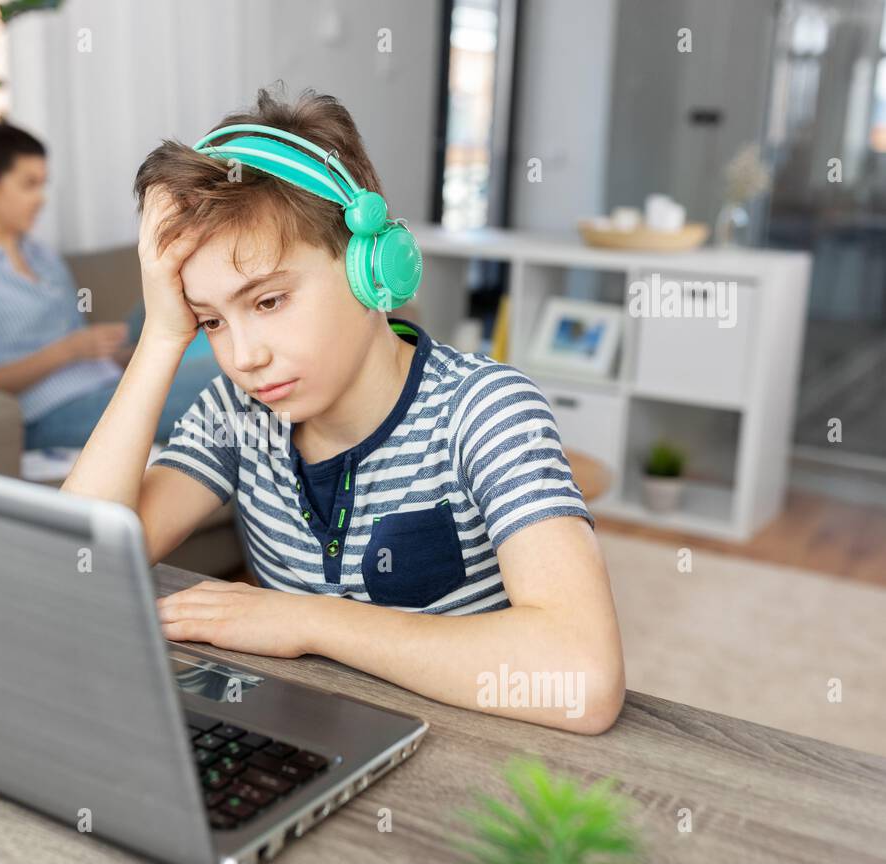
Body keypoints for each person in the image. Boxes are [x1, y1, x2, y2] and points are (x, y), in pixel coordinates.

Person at [60, 87, 626, 734]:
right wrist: (163, 337)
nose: (244, 357)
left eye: (269, 302)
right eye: (212, 320)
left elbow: (583, 678)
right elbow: (78, 570)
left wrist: (304, 619)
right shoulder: (237, 411)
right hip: (307, 741)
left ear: (371, 269)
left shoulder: (486, 409)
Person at [0, 123, 220, 451]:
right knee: (222, 373)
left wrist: (118, 357)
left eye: (43, 184)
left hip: (101, 379)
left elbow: (79, 343)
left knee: (179, 277)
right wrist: (69, 350)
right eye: (29, 184)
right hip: (45, 415)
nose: (40, 198)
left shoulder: (42, 256)